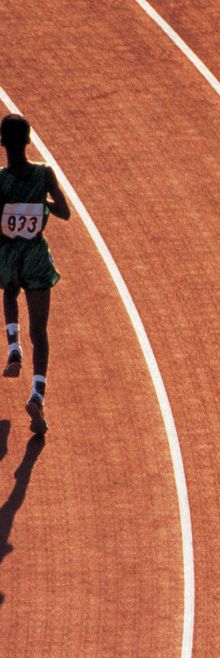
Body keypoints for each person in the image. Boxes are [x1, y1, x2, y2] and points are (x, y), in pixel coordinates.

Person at [0, 114, 69, 435]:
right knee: (40, 332)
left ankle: (13, 345)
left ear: (2, 144)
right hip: (37, 257)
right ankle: (37, 395)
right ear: (28, 141)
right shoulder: (44, 174)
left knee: (10, 291)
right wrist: (42, 202)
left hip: (9, 254)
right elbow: (65, 211)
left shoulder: (0, 180)